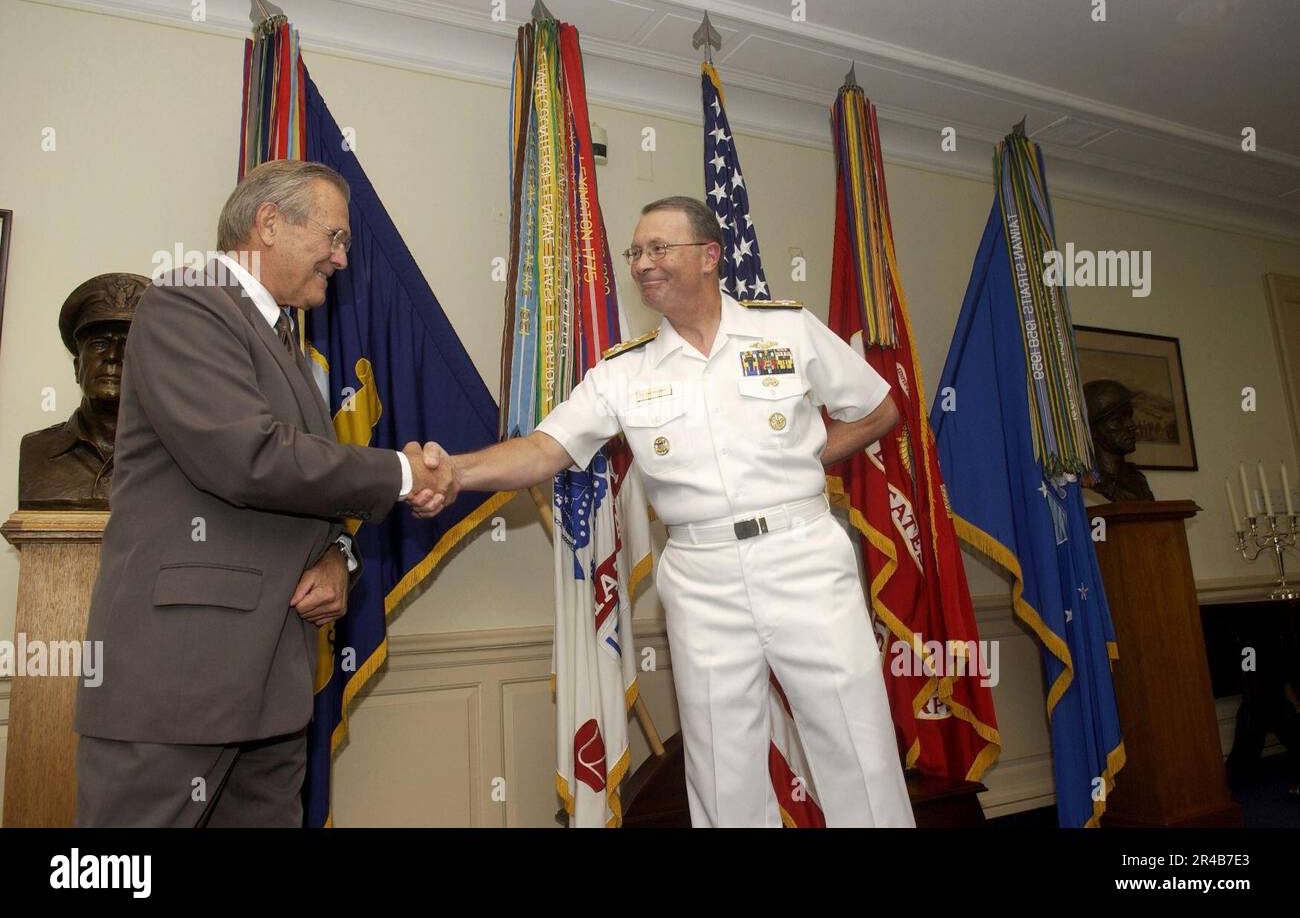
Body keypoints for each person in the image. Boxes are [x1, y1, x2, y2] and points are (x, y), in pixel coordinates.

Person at [419, 196, 915, 827]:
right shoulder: (624, 372)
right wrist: (457, 471)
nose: (643, 264)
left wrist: (802, 458)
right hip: (701, 573)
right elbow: (546, 448)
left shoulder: (788, 330)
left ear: (710, 256)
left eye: (659, 249)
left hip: (804, 556)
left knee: (855, 742)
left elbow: (878, 409)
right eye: (636, 252)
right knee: (719, 761)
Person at [74, 160, 454, 827]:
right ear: (270, 223)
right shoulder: (186, 303)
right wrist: (400, 473)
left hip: (272, 681)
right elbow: (246, 459)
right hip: (182, 675)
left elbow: (304, 490)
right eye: (333, 238)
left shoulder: (284, 342)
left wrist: (338, 556)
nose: (340, 259)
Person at [19, 273, 149, 509]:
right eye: (99, 344)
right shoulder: (36, 451)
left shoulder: (177, 457)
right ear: (77, 367)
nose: (112, 357)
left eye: (128, 344)